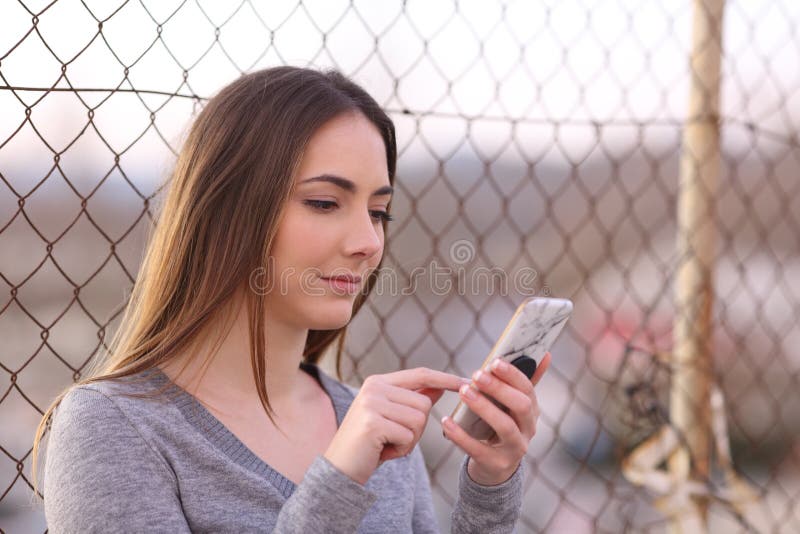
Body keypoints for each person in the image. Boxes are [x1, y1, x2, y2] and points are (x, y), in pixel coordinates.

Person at [31, 66, 550, 533]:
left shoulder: (375, 423)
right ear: (226, 214)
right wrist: (340, 478)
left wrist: (490, 483)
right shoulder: (113, 429)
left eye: (378, 212)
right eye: (325, 203)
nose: (369, 242)